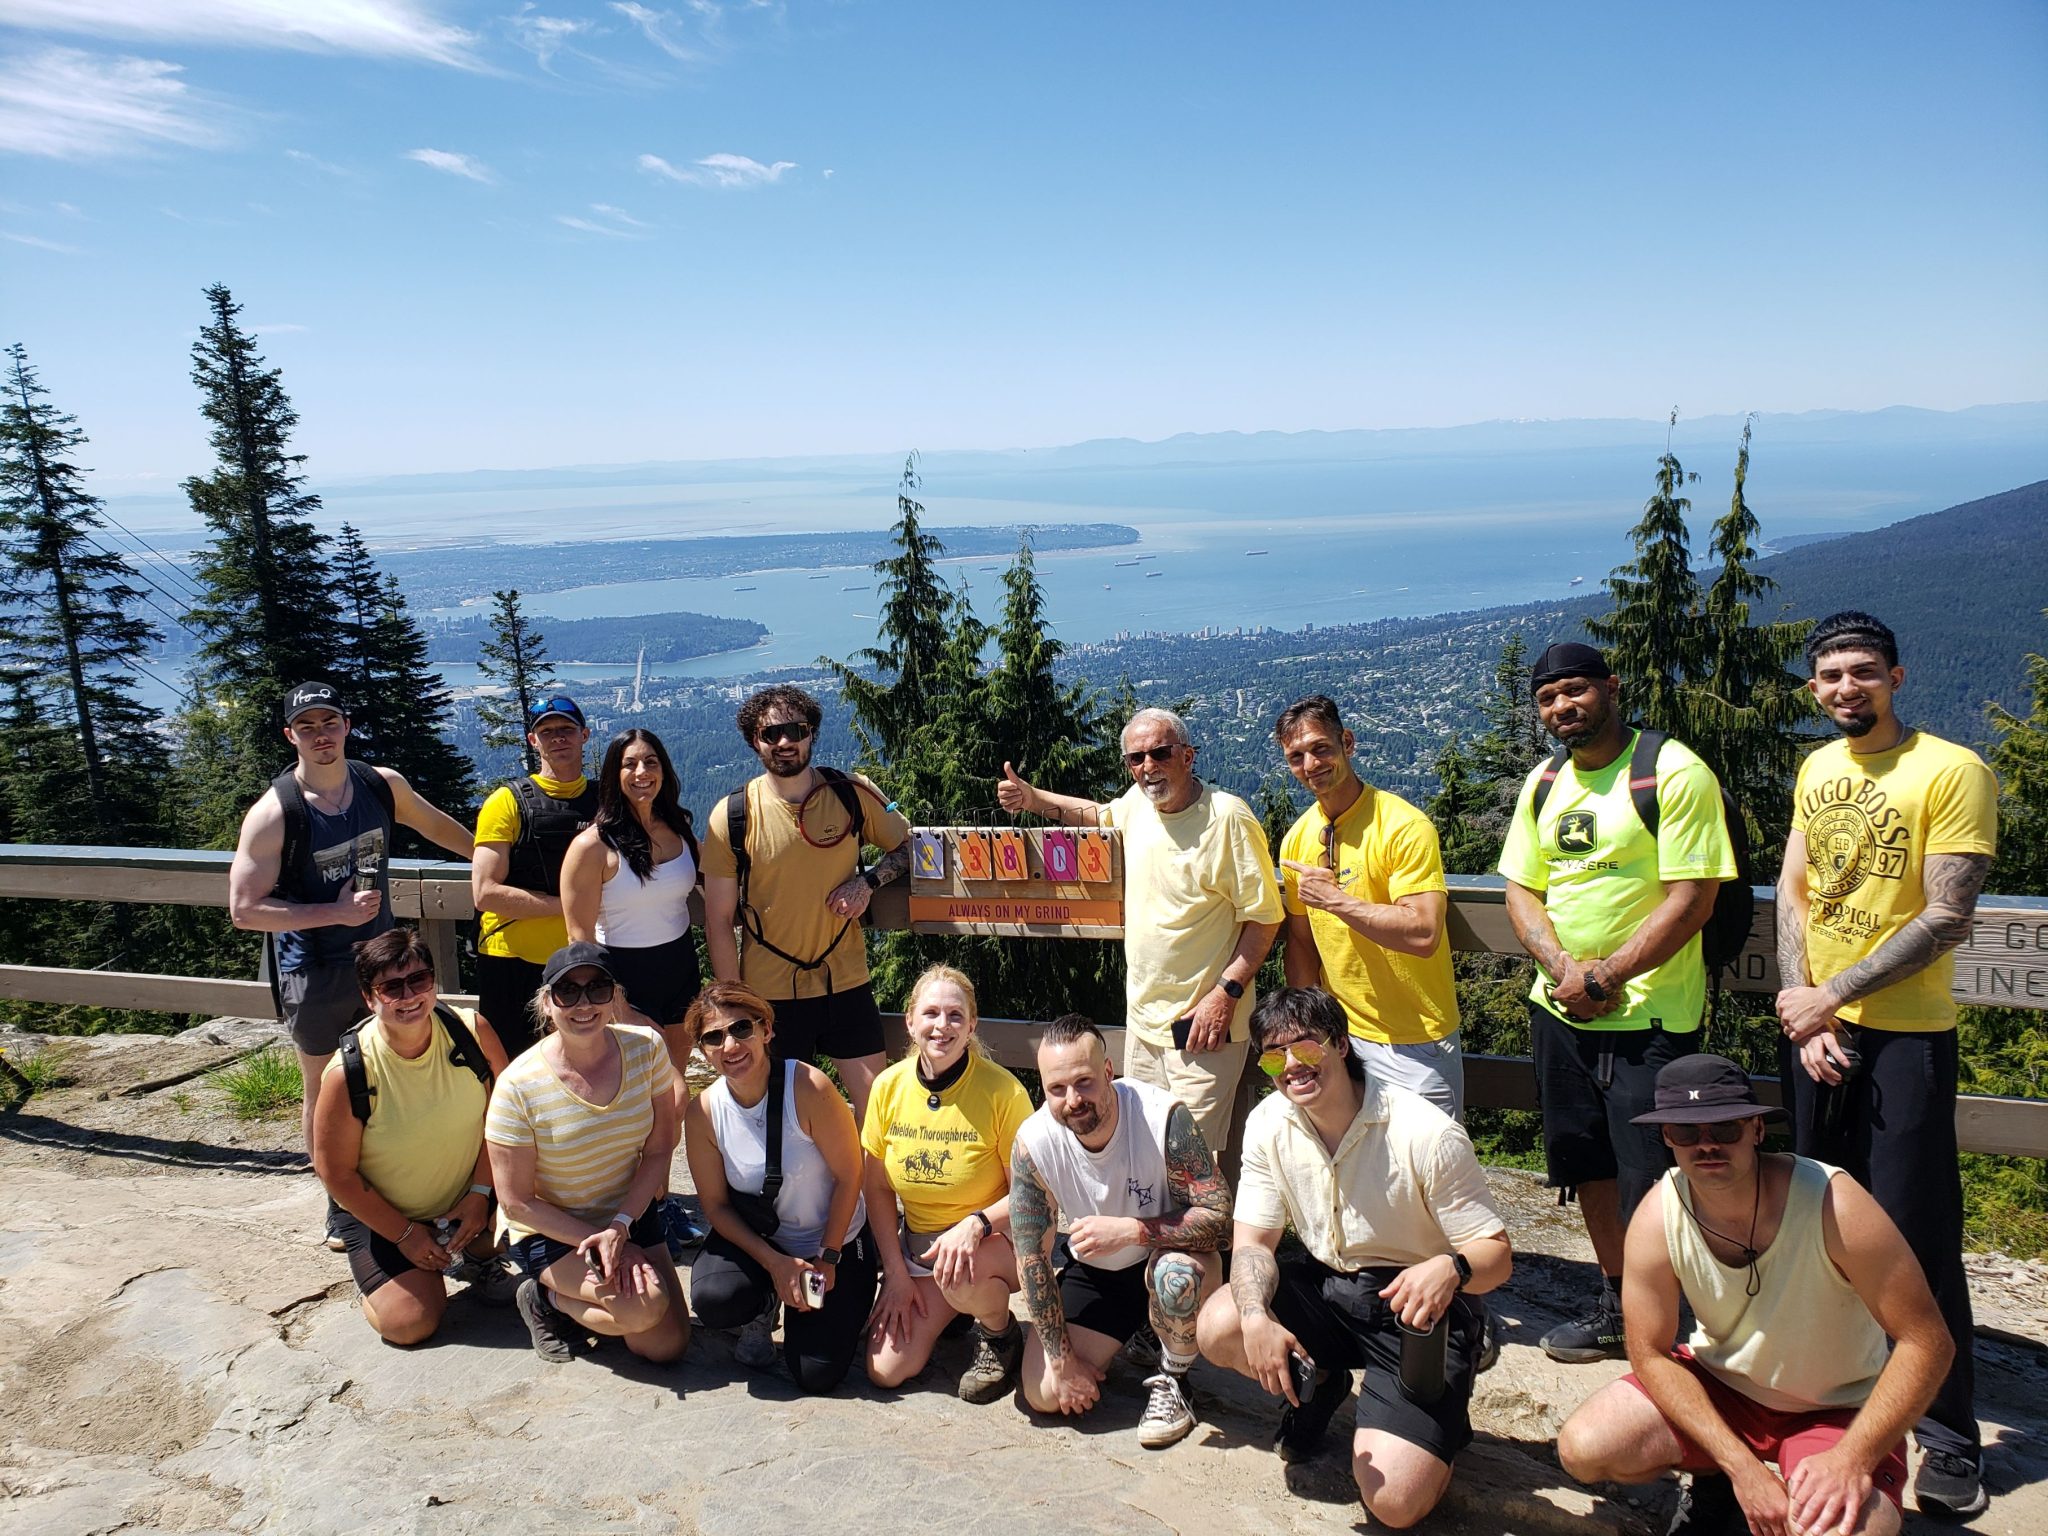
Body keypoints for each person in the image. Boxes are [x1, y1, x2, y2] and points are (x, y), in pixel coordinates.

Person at [1774, 610, 1998, 1518]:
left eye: (1861, 673)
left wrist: (1832, 997)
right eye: (1828, 677)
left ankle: (1947, 1435)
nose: (1842, 689)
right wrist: (1803, 1009)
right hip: (1816, 1029)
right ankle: (1845, 1395)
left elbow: (1947, 915)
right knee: (1817, 1217)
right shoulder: (1817, 767)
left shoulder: (1951, 770)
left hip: (1905, 1034)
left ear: (1896, 678)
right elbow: (1793, 889)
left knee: (1915, 1232)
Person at [1557, 1055, 1955, 1536]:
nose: (1706, 1145)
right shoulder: (1658, 1213)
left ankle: (1794, 1482)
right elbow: (1649, 1353)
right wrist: (1741, 1467)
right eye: (1686, 1133)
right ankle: (1718, 1482)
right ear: (1667, 1138)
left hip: (1833, 1408)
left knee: (1847, 1530)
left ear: (1756, 1130)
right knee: (1586, 1446)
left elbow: (1928, 1341)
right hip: (1721, 1388)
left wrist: (1852, 1458)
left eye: (1724, 1128)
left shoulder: (1833, 1202)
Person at [1497, 642, 1734, 1364]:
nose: (1563, 707)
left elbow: (1693, 899)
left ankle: (1675, 1319)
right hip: (1561, 1009)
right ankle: (1617, 1301)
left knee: (1658, 1171)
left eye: (1574, 691)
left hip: (1653, 1014)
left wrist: (1608, 976)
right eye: (1548, 698)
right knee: (1586, 1163)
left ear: (1610, 687)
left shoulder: (1671, 772)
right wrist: (1564, 969)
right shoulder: (1544, 782)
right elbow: (1521, 889)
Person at [1196, 988, 1510, 1527]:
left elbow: (1497, 1256)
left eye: (1306, 1047)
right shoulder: (1269, 1123)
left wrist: (1452, 1268)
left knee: (1394, 1502)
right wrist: (1255, 1319)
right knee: (1220, 1323)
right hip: (1329, 1286)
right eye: (1274, 1055)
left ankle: (1439, 1416)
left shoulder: (1425, 1131)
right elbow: (1252, 1245)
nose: (1291, 1066)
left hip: (1417, 1308)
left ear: (1341, 1044)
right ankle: (1318, 1384)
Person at [227, 679, 475, 1248]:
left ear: (346, 726)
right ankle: (341, 1206)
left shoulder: (378, 785)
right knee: (324, 1087)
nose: (321, 735)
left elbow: (436, 826)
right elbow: (244, 910)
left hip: (382, 965)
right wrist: (331, 912)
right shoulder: (275, 813)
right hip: (313, 970)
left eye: (329, 722)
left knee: (387, 1078)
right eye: (307, 727)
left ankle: (395, 1192)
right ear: (290, 735)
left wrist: (493, 861)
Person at [996, 706, 1283, 1153]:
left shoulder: (1227, 818)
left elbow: (1265, 917)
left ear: (1188, 756)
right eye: (1136, 758)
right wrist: (1034, 799)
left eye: (1160, 753)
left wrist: (1225, 994)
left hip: (1202, 1028)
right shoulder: (1139, 806)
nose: (1148, 766)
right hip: (1144, 1029)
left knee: (1192, 1165)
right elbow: (1098, 816)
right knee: (1143, 1152)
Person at [1010, 1013, 1231, 1448]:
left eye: (1084, 1082)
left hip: (1167, 1257)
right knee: (1046, 1394)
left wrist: (1132, 1231)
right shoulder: (1033, 1143)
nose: (1073, 1099)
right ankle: (1142, 1332)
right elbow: (1031, 1256)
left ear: (1108, 1072)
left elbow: (1220, 1218)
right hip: (1097, 1274)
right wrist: (1063, 1362)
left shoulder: (1162, 1116)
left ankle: (1175, 1378)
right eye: (1057, 1089)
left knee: (1175, 1278)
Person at [700, 684, 911, 1123]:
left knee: (877, 1109)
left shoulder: (854, 792)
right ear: (754, 742)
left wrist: (868, 883)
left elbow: (910, 846)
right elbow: (718, 920)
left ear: (811, 732)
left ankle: (869, 1193)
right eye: (770, 733)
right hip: (768, 993)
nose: (784, 742)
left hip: (846, 980)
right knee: (781, 1113)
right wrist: (732, 1004)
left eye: (795, 729)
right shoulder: (732, 815)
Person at [485, 942, 689, 1367]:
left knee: (667, 1344)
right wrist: (595, 1240)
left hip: (624, 1214)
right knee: (644, 1308)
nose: (584, 1003)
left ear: (615, 997)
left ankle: (588, 1302)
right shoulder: (518, 1085)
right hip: (551, 1228)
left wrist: (619, 1227)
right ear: (546, 1003)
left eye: (597, 989)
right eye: (568, 992)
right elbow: (516, 1202)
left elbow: (657, 1150)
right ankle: (545, 1297)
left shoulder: (646, 1048)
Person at [312, 926, 513, 1344]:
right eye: (391, 987)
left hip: (470, 1193)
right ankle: (384, 1277)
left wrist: (479, 1194)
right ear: (369, 997)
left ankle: (476, 1253)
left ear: (433, 982)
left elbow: (505, 1120)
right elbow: (335, 1173)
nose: (409, 997)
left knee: (543, 1211)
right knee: (408, 1323)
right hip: (387, 1213)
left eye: (419, 980)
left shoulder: (471, 1031)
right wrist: (405, 1235)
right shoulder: (348, 1071)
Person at [682, 981, 878, 1395]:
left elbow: (850, 1176)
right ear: (703, 1051)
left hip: (835, 1242)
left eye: (740, 1029)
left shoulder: (809, 1087)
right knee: (715, 1298)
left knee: (815, 1374)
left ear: (766, 1030)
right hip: (766, 1242)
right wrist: (775, 1264)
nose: (730, 1046)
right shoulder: (703, 1113)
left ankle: (848, 1298)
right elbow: (716, 1207)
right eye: (713, 1038)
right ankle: (765, 1302)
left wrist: (827, 1257)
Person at [1273, 694, 1464, 1119]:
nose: (1311, 765)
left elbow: (1423, 932)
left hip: (1417, 1037)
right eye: (1296, 756)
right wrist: (1309, 1032)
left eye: (1321, 748)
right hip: (1343, 1039)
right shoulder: (1298, 839)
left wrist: (1338, 901)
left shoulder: (1404, 826)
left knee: (1431, 1174)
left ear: (1348, 742)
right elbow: (1302, 943)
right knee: (1357, 1167)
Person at [862, 965, 1032, 1402]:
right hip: (923, 1250)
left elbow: (1032, 1194)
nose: (943, 1026)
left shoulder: (1003, 1092)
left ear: (972, 1025)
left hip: (995, 1240)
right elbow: (877, 1188)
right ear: (910, 1021)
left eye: (956, 1015)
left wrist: (975, 1224)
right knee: (886, 1369)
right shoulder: (888, 1087)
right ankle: (955, 1312)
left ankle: (999, 1333)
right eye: (931, 1013)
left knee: (961, 1275)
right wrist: (896, 1273)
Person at [562, 727, 702, 1068]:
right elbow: (578, 936)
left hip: (681, 969)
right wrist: (615, 1003)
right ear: (614, 774)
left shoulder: (680, 830)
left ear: (664, 770)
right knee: (635, 1083)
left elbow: (716, 879)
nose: (642, 772)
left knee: (676, 1080)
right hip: (623, 977)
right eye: (630, 764)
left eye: (651, 762)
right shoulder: (592, 847)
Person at [470, 695, 597, 1060]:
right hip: (510, 959)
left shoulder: (605, 800)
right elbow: (485, 892)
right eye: (547, 731)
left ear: (584, 735)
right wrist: (570, 907)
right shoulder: (506, 802)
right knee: (508, 1067)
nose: (558, 738)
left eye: (566, 730)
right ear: (533, 741)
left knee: (582, 1064)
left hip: (579, 959)